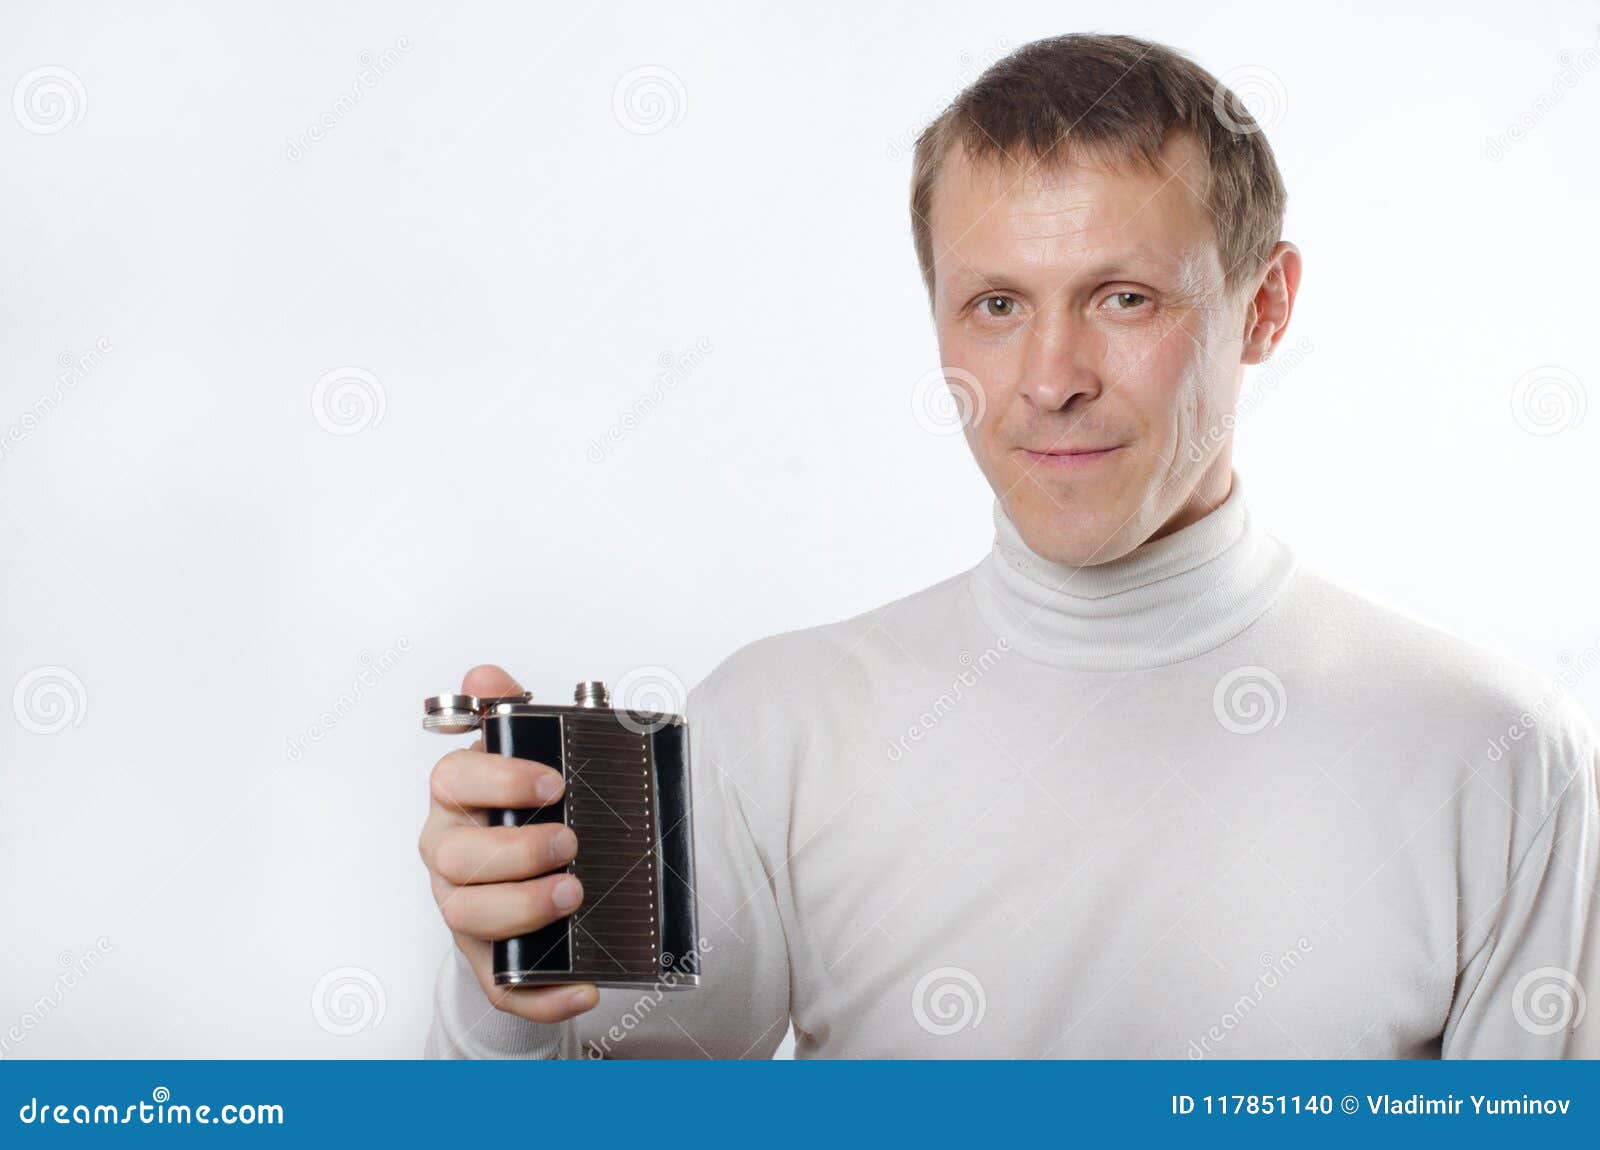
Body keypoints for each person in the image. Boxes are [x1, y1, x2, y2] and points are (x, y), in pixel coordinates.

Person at [419, 32, 1599, 1058]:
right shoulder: (773, 725)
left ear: (1266, 306)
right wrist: (505, 1004)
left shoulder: (1493, 752)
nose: (1050, 380)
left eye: (1123, 297)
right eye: (996, 305)